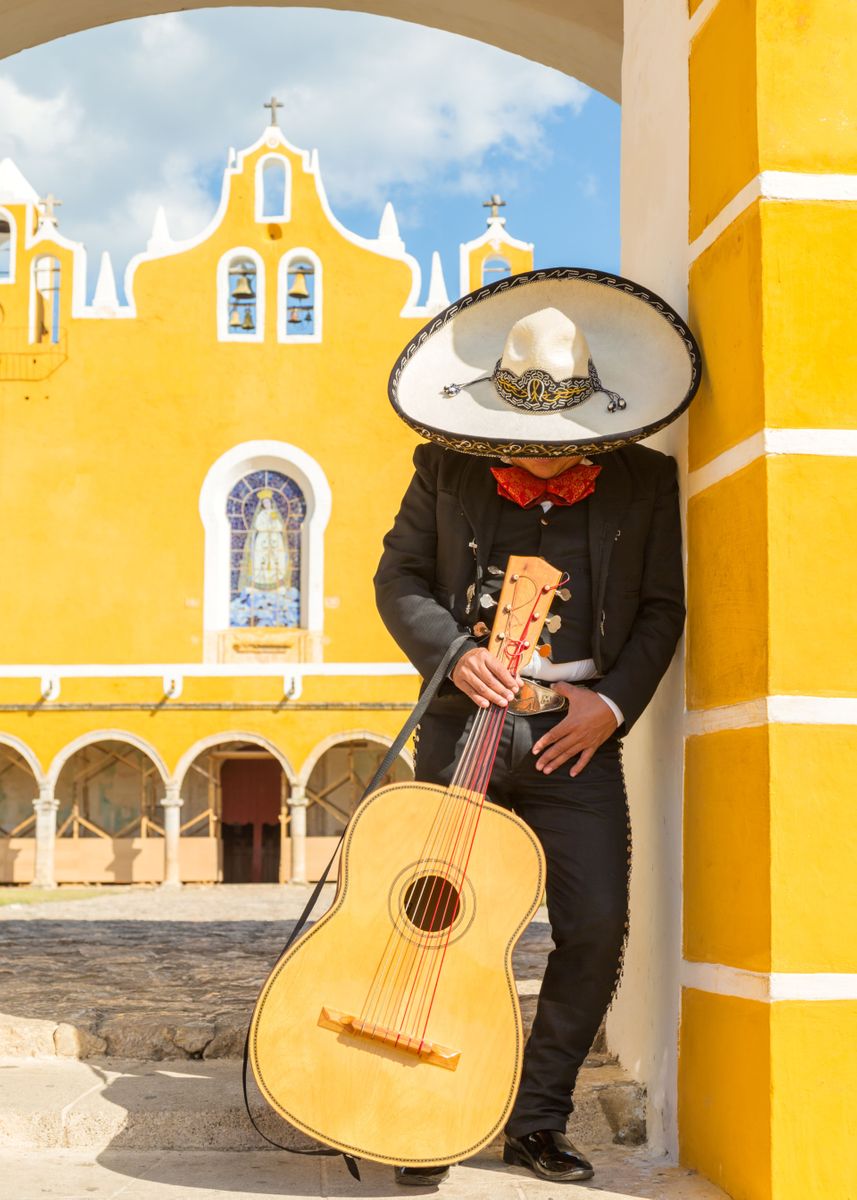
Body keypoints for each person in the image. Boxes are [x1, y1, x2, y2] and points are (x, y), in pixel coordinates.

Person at [374, 272, 700, 1186]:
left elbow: (662, 611)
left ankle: (535, 1120)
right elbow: (397, 580)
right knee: (431, 919)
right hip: (462, 728)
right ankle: (418, 1114)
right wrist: (450, 652)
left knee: (594, 924)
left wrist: (610, 705)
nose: (544, 453)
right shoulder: (442, 467)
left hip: (576, 737)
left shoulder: (645, 478)